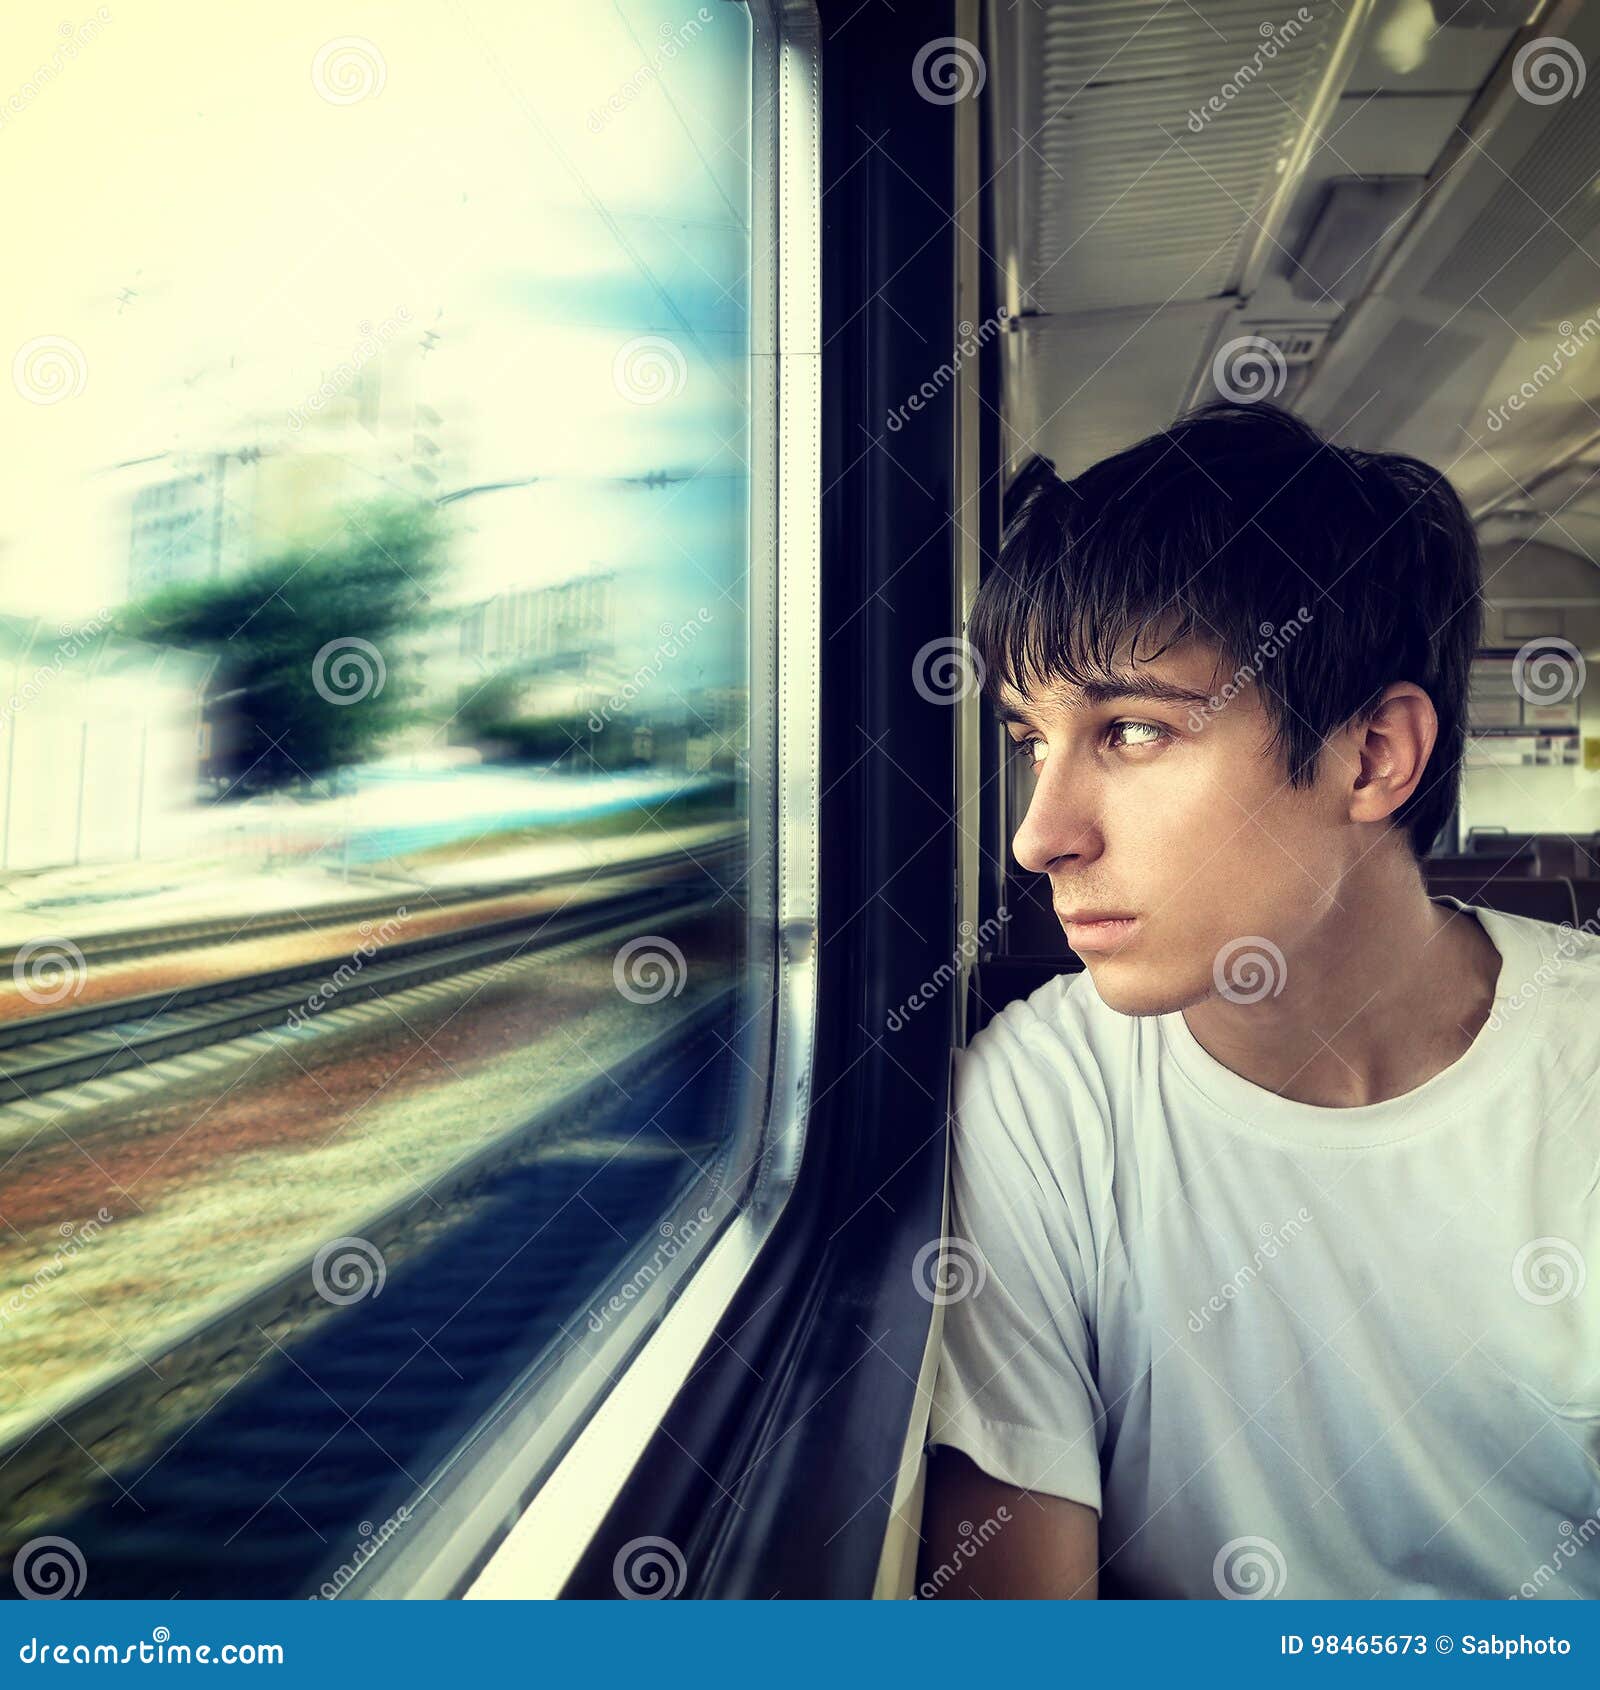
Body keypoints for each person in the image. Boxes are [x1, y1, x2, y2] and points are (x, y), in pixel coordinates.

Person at [920, 402, 1600, 1600]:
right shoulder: (1037, 1101)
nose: (1039, 837)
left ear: (1371, 756)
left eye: (1130, 730)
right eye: (1034, 739)